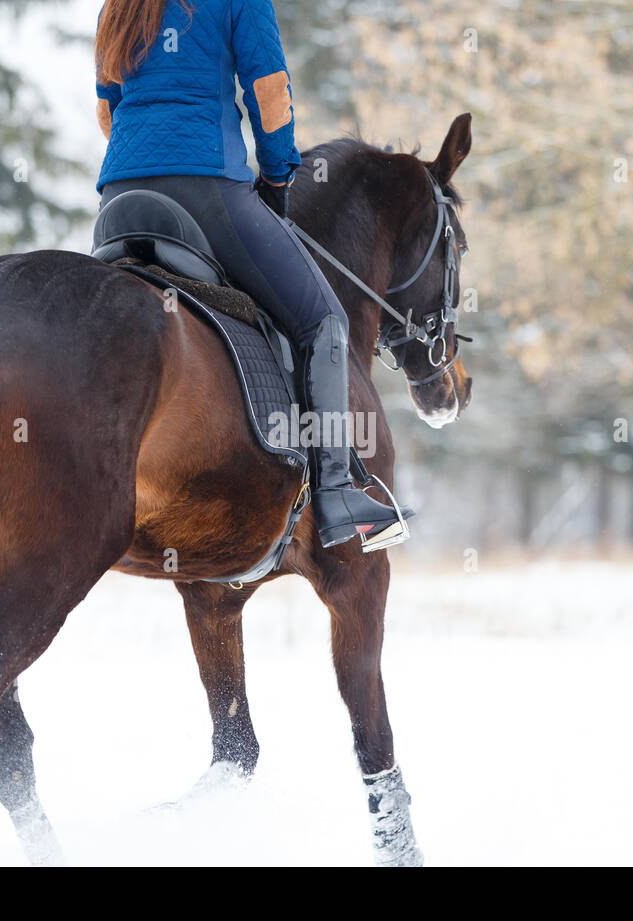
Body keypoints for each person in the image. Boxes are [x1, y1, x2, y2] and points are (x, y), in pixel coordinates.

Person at [91, 0, 407, 549]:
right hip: (206, 188)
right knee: (324, 322)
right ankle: (336, 493)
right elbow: (270, 92)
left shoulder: (116, 6)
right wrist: (279, 175)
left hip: (119, 197)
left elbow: (106, 104)